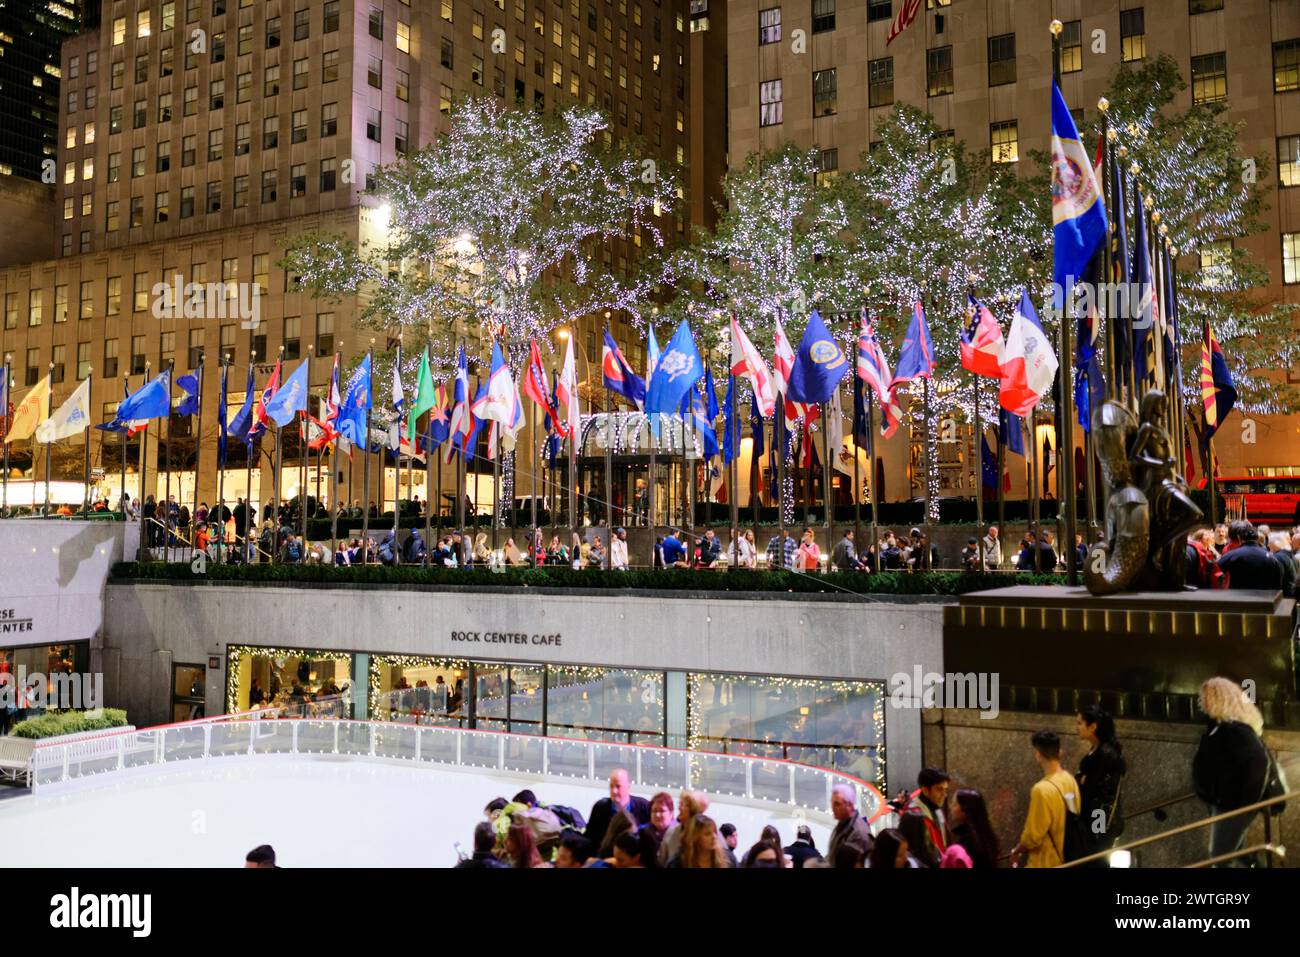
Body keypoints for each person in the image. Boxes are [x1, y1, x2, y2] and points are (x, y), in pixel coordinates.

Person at [1192, 677, 1272, 867]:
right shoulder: (1220, 727)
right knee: (1237, 853)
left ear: (1222, 699)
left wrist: (1243, 802)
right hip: (1224, 801)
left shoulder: (1236, 729)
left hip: (1232, 804)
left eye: (1209, 697)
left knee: (1220, 856)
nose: (1204, 703)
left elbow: (1258, 763)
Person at [1010, 730, 1081, 868]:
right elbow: (1074, 814)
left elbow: (1033, 836)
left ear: (1037, 754)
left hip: (1045, 862)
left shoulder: (1041, 790)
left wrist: (1016, 850)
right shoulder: (1070, 780)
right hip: (1067, 859)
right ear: (1060, 752)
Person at [1077, 704, 1127, 860]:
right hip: (1093, 819)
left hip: (1098, 820)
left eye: (1080, 723)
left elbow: (1103, 795)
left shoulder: (1106, 755)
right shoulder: (1097, 751)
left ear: (1093, 726)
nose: (1077, 727)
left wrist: (1097, 831)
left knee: (1096, 859)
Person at [584, 768, 651, 850]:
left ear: (628, 786)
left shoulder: (644, 807)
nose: (614, 791)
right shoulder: (600, 808)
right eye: (611, 786)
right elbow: (590, 838)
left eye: (618, 786)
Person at [1217, 520, 1282, 590]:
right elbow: (1277, 584)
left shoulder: (1231, 555)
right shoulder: (1271, 557)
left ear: (1239, 538)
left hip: (1239, 598)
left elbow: (1217, 571)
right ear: (1257, 538)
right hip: (1264, 598)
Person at [946, 788, 1000, 869]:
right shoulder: (984, 834)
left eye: (954, 804)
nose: (950, 807)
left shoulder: (968, 841)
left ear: (965, 809)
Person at [901, 767, 949, 856]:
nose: (944, 795)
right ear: (925, 790)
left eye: (946, 790)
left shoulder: (937, 808)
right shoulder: (913, 814)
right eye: (939, 789)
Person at [827, 782, 874, 867]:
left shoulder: (858, 833)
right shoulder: (843, 825)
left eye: (837, 804)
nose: (833, 807)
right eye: (832, 802)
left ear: (849, 805)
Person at [1267, 531, 1296, 598]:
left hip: (1283, 597)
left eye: (1269, 542)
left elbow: (1277, 580)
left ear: (1276, 543)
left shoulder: (1278, 557)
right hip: (1290, 594)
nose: (1268, 545)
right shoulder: (1289, 554)